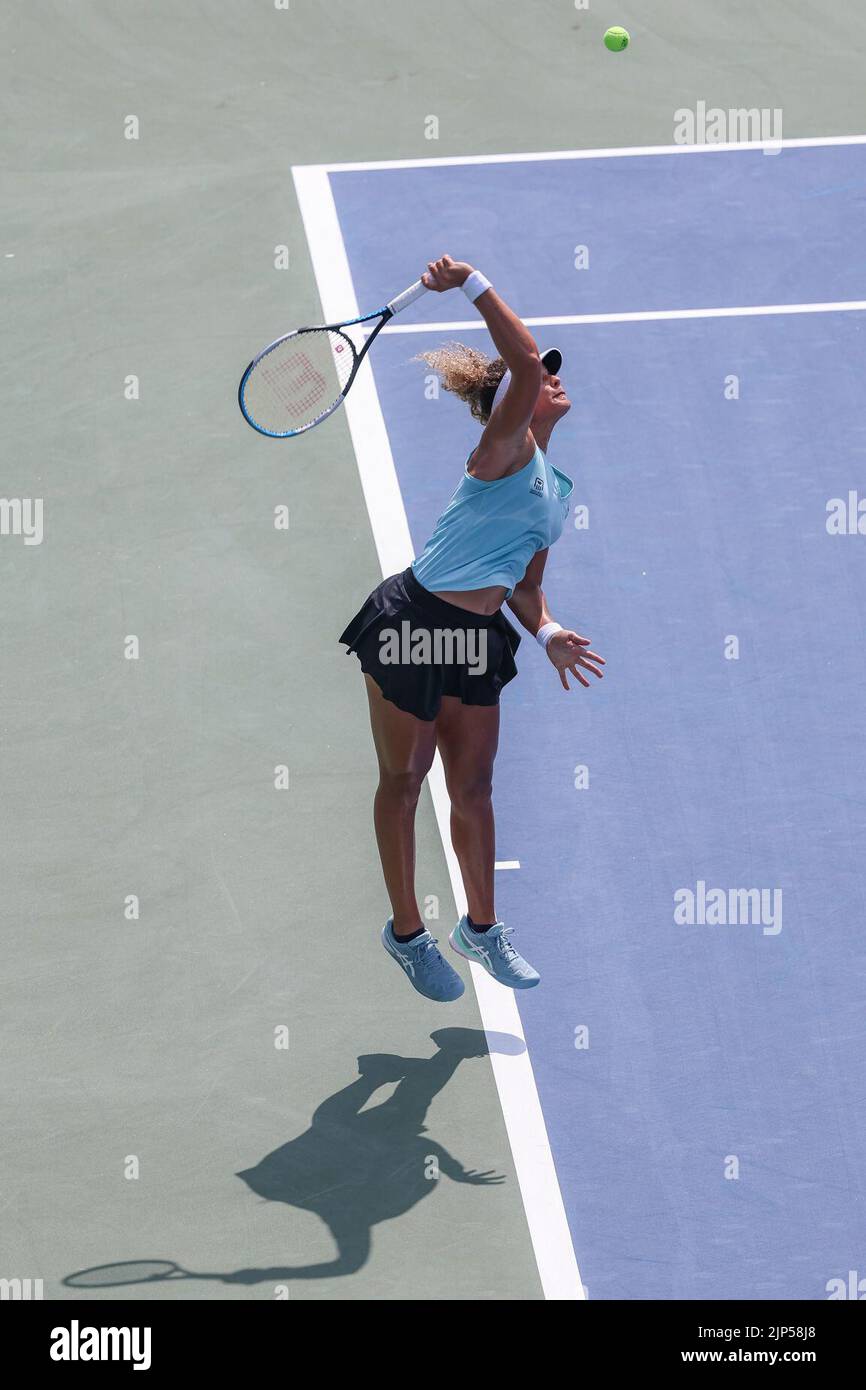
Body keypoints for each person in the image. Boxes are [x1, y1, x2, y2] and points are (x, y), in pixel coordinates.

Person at [339, 255, 604, 1003]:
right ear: (510, 408)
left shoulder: (552, 493)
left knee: (475, 787)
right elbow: (520, 359)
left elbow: (525, 586)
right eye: (540, 379)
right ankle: (405, 933)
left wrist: (548, 632)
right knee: (404, 778)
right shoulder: (502, 449)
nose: (552, 379)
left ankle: (480, 930)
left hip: (477, 640)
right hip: (410, 625)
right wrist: (473, 282)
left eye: (552, 375)